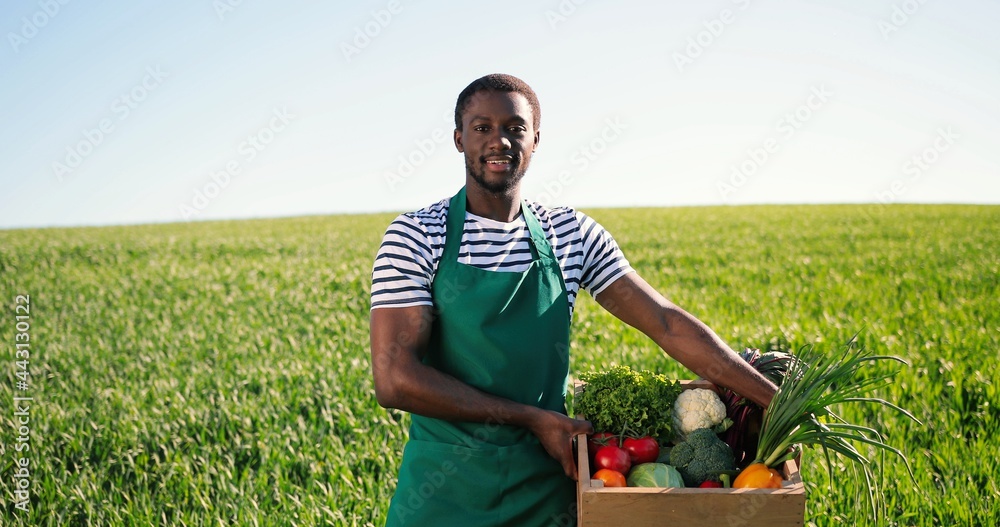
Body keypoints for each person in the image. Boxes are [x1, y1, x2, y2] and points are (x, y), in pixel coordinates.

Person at [369, 73, 777, 526]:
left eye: (515, 128)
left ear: (536, 139)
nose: (498, 141)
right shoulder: (416, 235)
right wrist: (531, 418)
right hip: (445, 488)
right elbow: (394, 378)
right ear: (458, 138)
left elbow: (664, 322)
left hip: (546, 487)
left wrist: (771, 397)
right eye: (482, 127)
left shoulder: (571, 234)